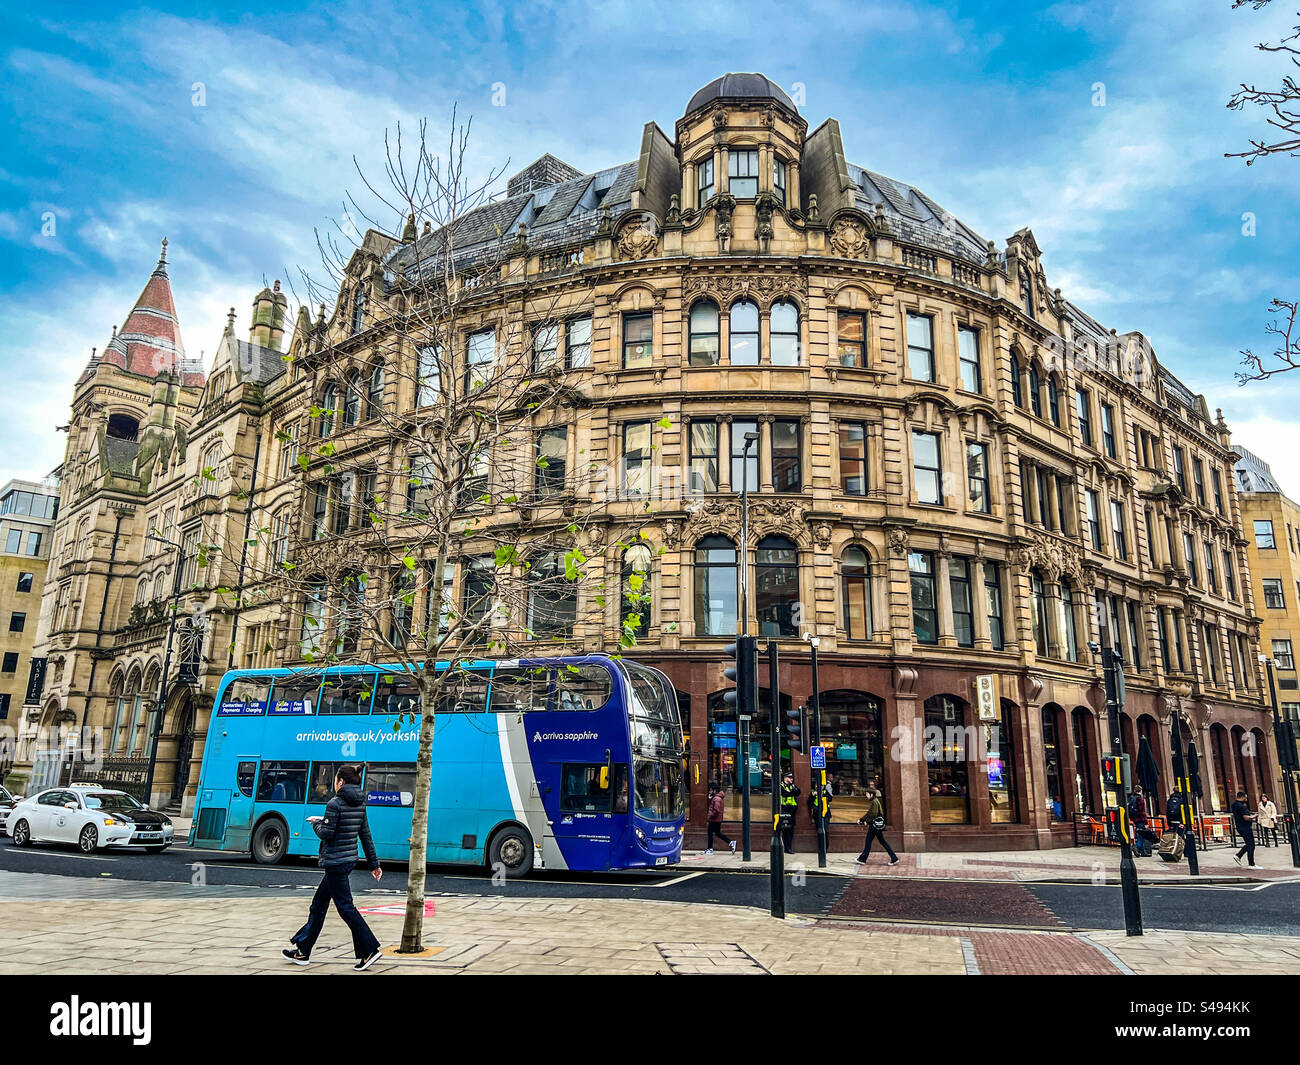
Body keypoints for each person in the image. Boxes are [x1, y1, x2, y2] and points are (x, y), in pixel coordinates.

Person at [284, 765, 384, 970]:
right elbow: (365, 835)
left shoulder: (335, 803)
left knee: (346, 908)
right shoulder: (360, 804)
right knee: (318, 906)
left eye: (336, 779)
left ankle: (370, 950)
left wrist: (315, 823)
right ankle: (303, 951)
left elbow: (327, 833)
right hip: (347, 861)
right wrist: (374, 864)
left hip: (335, 863)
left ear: (341, 782)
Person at [855, 786, 899, 867]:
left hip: (874, 826)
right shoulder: (875, 801)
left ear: (871, 794)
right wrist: (863, 819)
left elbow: (872, 814)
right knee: (882, 842)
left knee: (868, 841)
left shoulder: (874, 802)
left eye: (867, 794)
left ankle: (862, 859)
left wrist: (864, 820)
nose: (866, 795)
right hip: (877, 825)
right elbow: (870, 813)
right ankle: (894, 858)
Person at [704, 780, 736, 855]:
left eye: (711, 790)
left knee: (710, 833)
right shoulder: (717, 798)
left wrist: (710, 816)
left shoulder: (716, 799)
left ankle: (710, 849)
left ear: (714, 790)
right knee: (717, 833)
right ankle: (731, 842)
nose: (710, 791)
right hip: (717, 819)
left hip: (714, 819)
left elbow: (716, 810)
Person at [1231, 789, 1257, 868]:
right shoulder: (1241, 806)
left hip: (1239, 826)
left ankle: (1239, 856)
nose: (1246, 799)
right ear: (1242, 797)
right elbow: (1246, 817)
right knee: (1251, 844)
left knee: (1249, 844)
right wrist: (1254, 816)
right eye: (1245, 797)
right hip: (1245, 827)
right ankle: (1251, 864)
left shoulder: (1234, 805)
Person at [779, 770, 800, 854]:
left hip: (792, 810)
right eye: (790, 777)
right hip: (784, 809)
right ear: (785, 778)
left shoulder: (793, 786)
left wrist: (790, 792)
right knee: (785, 829)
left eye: (792, 778)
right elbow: (784, 794)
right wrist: (791, 792)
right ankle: (785, 847)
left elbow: (798, 792)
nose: (792, 779)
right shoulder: (781, 785)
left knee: (791, 830)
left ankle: (789, 847)